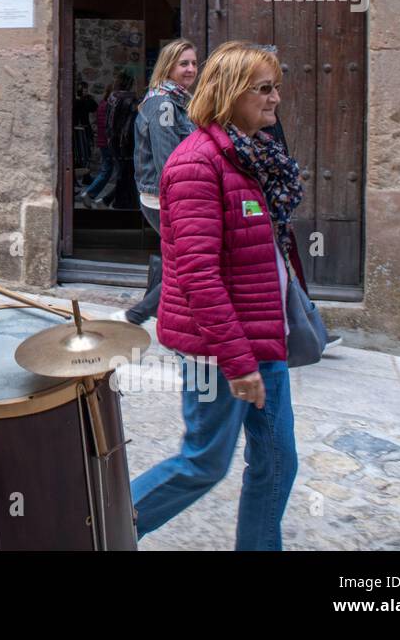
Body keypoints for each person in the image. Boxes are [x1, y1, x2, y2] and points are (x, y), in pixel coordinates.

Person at [130, 40, 303, 551]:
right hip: (220, 351)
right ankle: (101, 526)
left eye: (277, 88)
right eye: (264, 89)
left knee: (277, 462)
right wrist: (236, 360)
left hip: (264, 339)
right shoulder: (196, 164)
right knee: (204, 462)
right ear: (231, 93)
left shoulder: (252, 155)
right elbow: (197, 274)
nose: (275, 100)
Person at [113, 39, 198, 325]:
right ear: (168, 66)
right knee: (192, 264)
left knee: (178, 258)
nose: (190, 69)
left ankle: (154, 315)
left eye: (194, 63)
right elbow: (169, 163)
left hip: (167, 198)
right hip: (164, 199)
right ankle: (134, 315)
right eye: (183, 63)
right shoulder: (163, 103)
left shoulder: (177, 100)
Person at [104, 71, 139, 209]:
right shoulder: (130, 99)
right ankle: (122, 202)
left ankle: (120, 202)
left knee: (123, 172)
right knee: (126, 172)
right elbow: (132, 122)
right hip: (125, 141)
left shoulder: (112, 97)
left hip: (113, 139)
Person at [82, 81, 114, 203]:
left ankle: (91, 194)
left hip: (103, 141)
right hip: (107, 142)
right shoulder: (108, 106)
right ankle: (90, 194)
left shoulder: (102, 104)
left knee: (107, 169)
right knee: (106, 170)